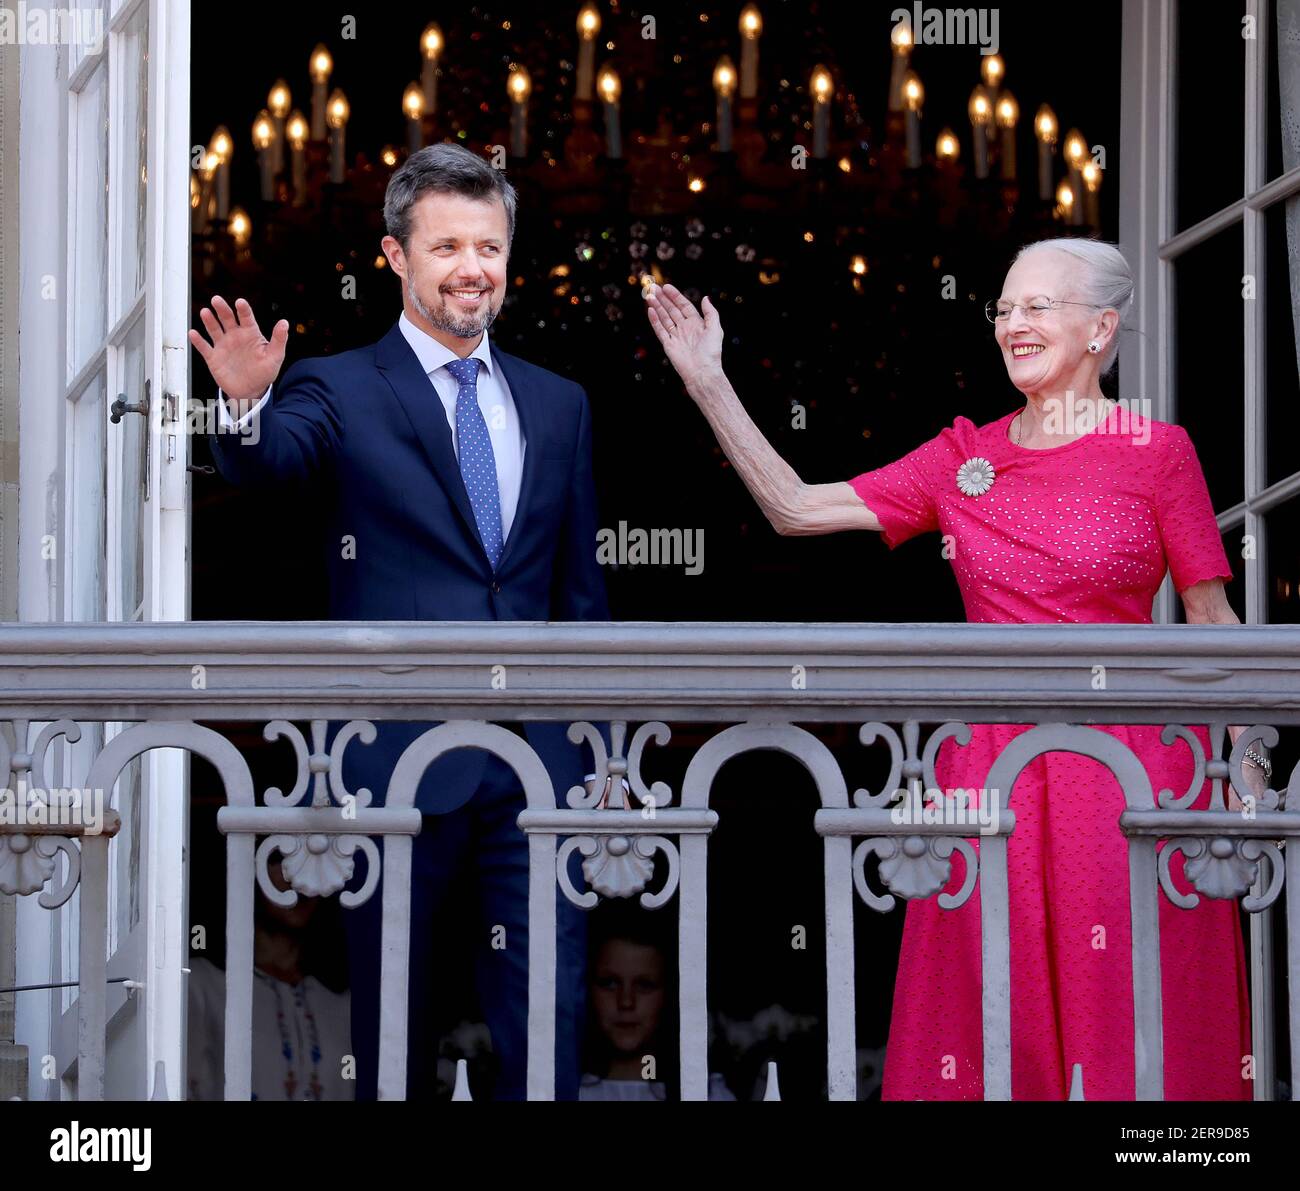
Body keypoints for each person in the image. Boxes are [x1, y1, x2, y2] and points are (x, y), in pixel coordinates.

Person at [644, 237, 1266, 1101]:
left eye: (1037, 306)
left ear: (1101, 328)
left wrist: (1250, 778)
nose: (1013, 323)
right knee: (989, 1038)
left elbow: (1214, 625)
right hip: (990, 779)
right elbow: (794, 507)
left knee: (1133, 1038)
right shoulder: (961, 454)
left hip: (1131, 779)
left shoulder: (1158, 450)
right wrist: (707, 378)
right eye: (1004, 307)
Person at [189, 143, 610, 1100]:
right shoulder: (339, 386)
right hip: (395, 763)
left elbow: (581, 596)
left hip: (541, 763)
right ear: (395, 257)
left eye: (491, 246)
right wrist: (246, 407)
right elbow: (270, 467)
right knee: (393, 1023)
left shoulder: (560, 403)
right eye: (448, 245)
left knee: (546, 1012)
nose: (474, 267)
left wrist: (603, 755)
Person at [187, 858, 352, 1101]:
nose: (296, 874)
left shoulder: (341, 999)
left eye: (311, 859)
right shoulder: (202, 983)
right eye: (279, 858)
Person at [580, 907, 734, 1101]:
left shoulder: (707, 1095)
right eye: (610, 983)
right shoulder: (559, 1089)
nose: (626, 1002)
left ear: (669, 993)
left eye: (644, 985)